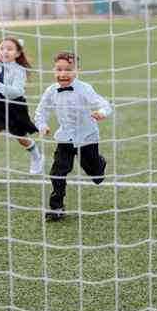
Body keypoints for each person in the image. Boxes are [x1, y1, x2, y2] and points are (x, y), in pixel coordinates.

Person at [34, 52, 111, 221]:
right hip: (65, 138)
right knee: (57, 171)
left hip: (87, 137)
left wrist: (101, 112)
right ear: (54, 70)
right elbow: (41, 111)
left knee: (94, 173)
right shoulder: (51, 91)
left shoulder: (85, 89)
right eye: (59, 69)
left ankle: (100, 162)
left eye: (68, 70)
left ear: (77, 71)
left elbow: (103, 103)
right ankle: (57, 207)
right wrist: (42, 125)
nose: (63, 74)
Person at [0, 37, 42, 181]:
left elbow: (17, 91)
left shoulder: (19, 71)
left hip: (15, 106)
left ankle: (37, 157)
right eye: (1, 48)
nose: (4, 51)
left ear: (17, 54)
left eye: (9, 49)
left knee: (21, 138)